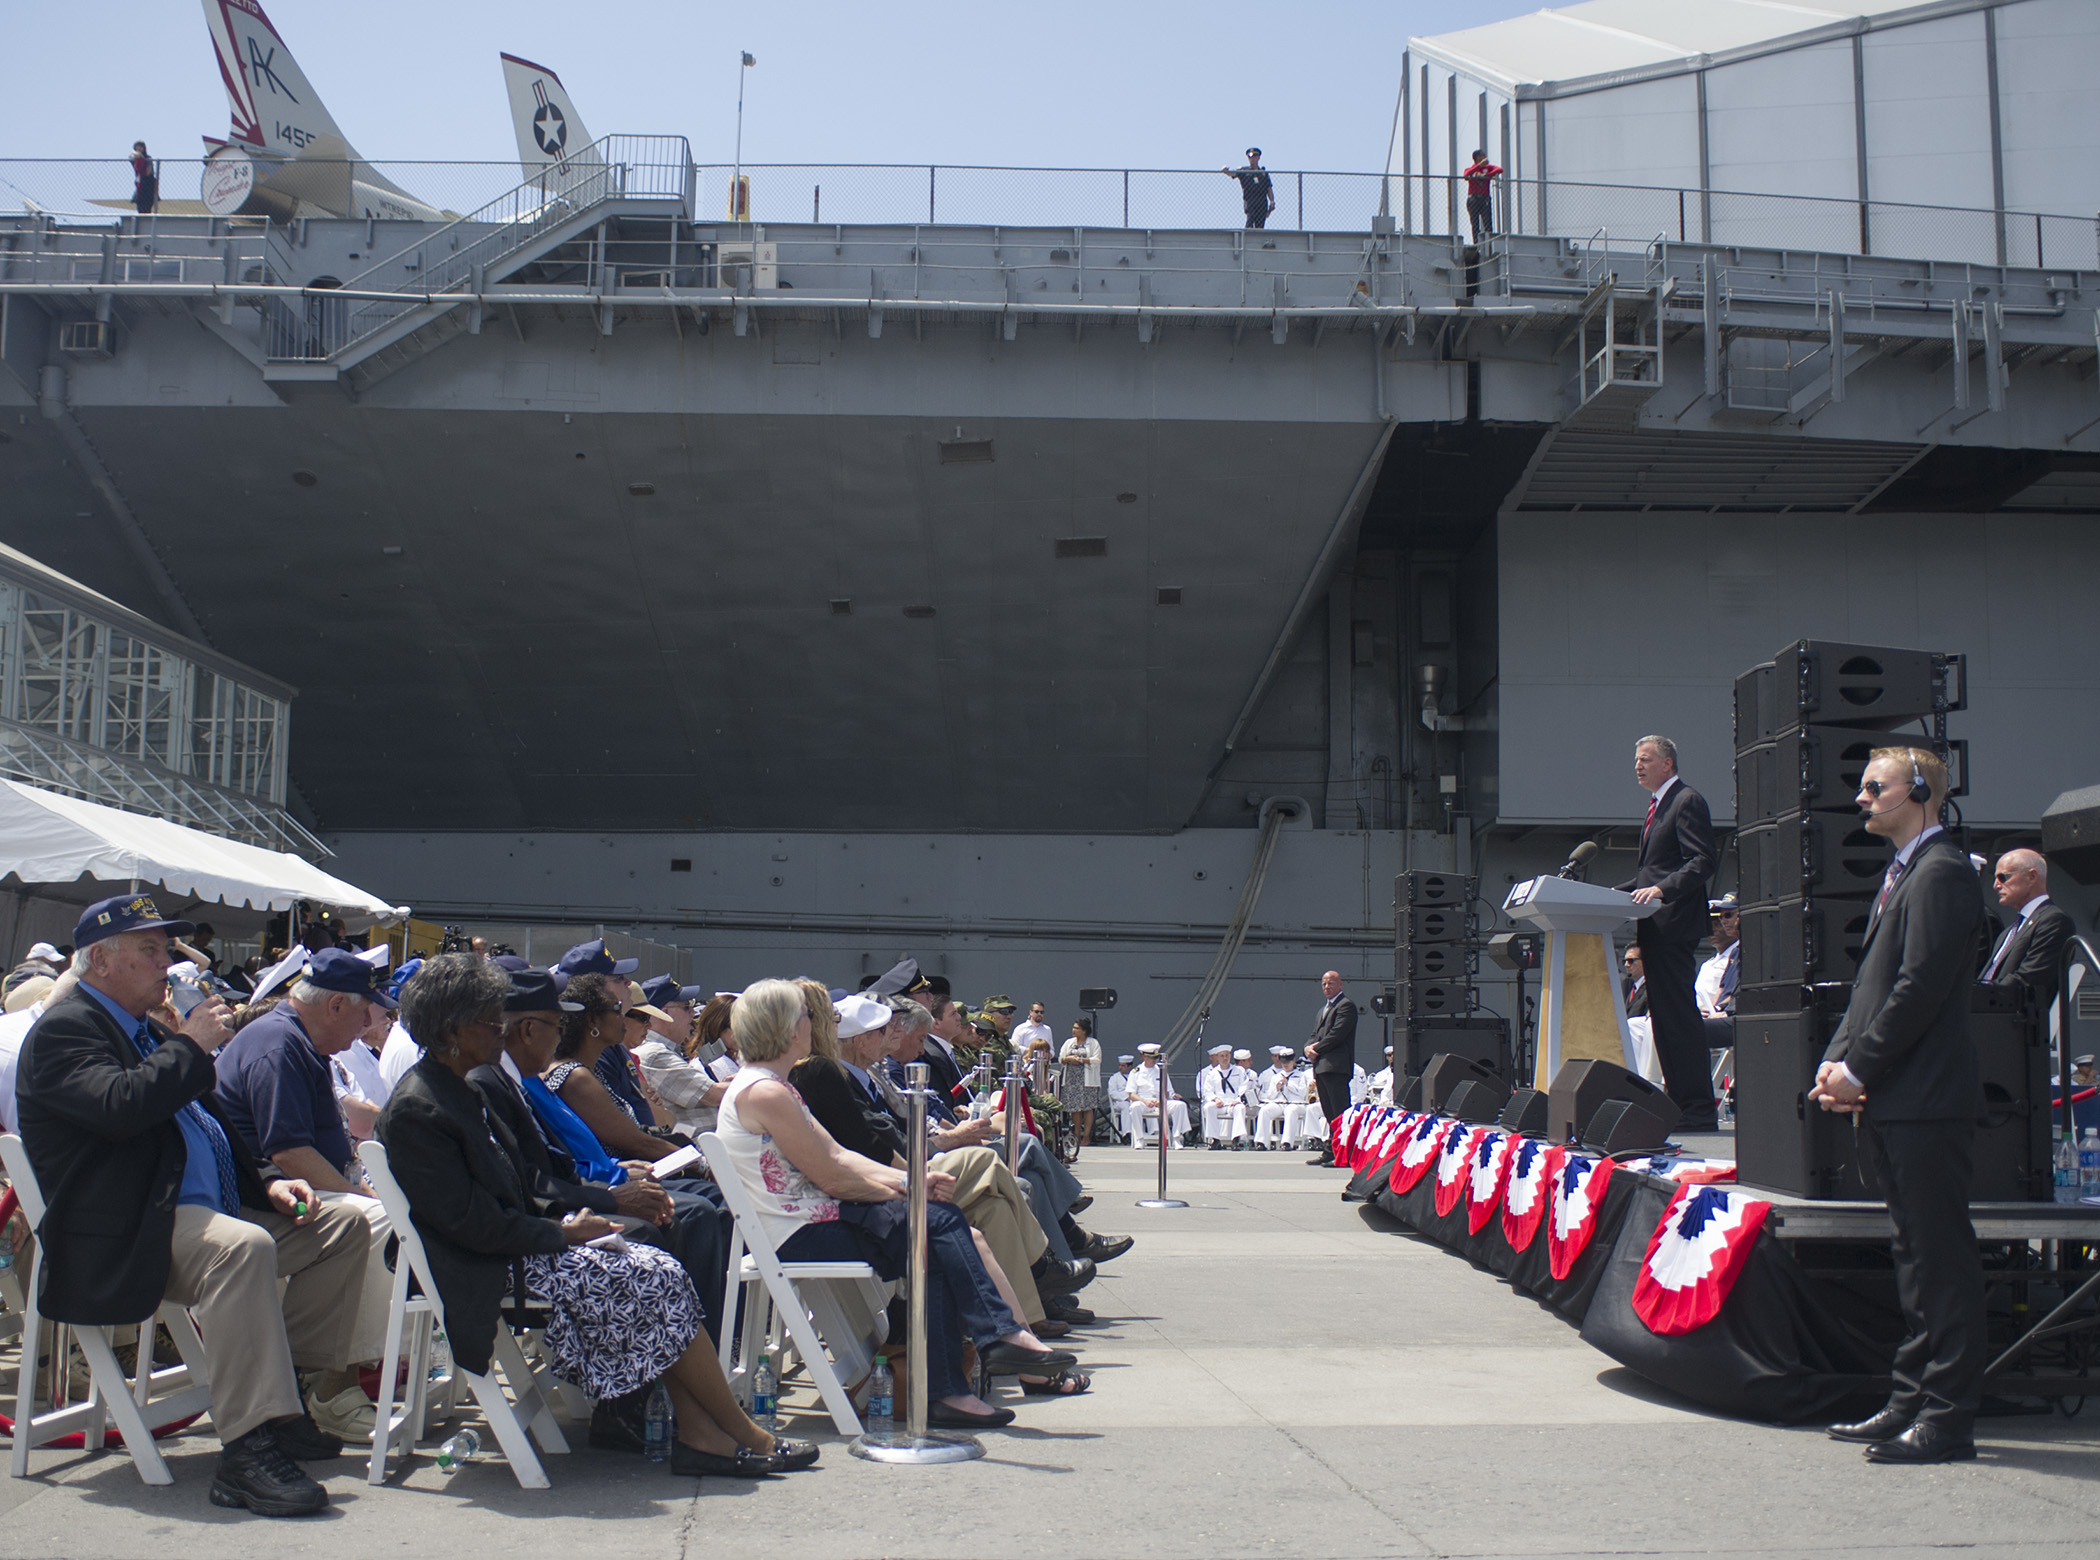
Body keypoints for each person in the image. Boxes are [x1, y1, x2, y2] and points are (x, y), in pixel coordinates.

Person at [375, 955, 812, 1478]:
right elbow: (470, 1224)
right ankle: (731, 1433)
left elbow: (522, 1181)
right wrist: (564, 1232)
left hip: (517, 1247)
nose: (501, 1032)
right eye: (491, 1022)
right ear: (452, 1030)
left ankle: (705, 1433)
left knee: (660, 1271)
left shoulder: (460, 1088)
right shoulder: (421, 1108)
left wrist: (580, 1216)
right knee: (652, 1272)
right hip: (486, 1264)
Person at [17, 894, 368, 1517]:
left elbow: (215, 1128)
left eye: (164, 948)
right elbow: (120, 1108)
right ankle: (248, 1450)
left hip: (198, 1213)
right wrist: (192, 1047)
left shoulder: (148, 1030)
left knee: (343, 1223)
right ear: (101, 960)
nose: (167, 962)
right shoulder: (67, 1029)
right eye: (149, 949)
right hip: (129, 1226)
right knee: (243, 1247)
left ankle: (284, 1400)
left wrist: (269, 1183)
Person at [715, 978, 1076, 1429]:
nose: (816, 1023)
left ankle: (961, 1379)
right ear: (788, 1029)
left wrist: (913, 1181)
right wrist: (909, 1190)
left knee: (937, 1231)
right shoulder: (765, 1092)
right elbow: (831, 1175)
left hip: (812, 1222)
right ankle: (992, 1343)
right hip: (798, 1234)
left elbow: (839, 1155)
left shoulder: (773, 1086)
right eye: (807, 1016)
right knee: (937, 1224)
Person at [1812, 747, 1986, 1465]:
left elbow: (1921, 988)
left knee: (1939, 1260)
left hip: (1925, 1101)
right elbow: (1872, 987)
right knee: (1914, 1256)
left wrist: (1859, 1068)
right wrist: (1836, 1060)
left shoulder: (1942, 872)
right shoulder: (1906, 873)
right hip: (1898, 1098)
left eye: (1873, 787)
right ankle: (1910, 1400)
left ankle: (1947, 1418)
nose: (1861, 799)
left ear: (1918, 792)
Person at [212, 946, 403, 1439]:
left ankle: (330, 1377)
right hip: (253, 1206)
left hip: (282, 1198)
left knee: (381, 1213)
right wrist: (367, 1199)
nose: (369, 1023)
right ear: (336, 1005)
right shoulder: (280, 1044)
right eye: (365, 1011)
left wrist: (363, 1191)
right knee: (377, 1221)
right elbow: (290, 1154)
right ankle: (332, 1387)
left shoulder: (296, 1041)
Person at [1616, 735, 1719, 1129]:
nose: (1637, 766)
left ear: (1668, 763)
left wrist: (1662, 890)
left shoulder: (1686, 800)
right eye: (1635, 760)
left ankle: (1699, 1108)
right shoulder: (1657, 806)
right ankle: (1680, 1104)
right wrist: (1611, 895)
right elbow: (1650, 874)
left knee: (1678, 1018)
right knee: (1664, 1020)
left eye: (1646, 759)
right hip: (1654, 927)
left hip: (1674, 923)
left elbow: (1702, 860)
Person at [1980, 849, 2073, 1001]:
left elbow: (2028, 980)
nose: (1996, 885)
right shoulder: (2008, 933)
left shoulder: (2054, 921)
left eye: (2003, 877)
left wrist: (1980, 997)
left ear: (2032, 877)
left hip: (2010, 1013)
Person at [1304, 971, 1358, 1166]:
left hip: (1336, 1067)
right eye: (1324, 984)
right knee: (1329, 1113)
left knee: (1339, 1113)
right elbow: (1314, 1034)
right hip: (1321, 1067)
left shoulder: (1346, 1006)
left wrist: (1316, 1049)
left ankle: (1345, 1154)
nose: (1327, 987)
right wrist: (1307, 1048)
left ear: (1340, 985)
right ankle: (1331, 1150)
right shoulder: (1323, 1010)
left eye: (1331, 983)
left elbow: (1337, 1034)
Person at [1125, 1043, 1191, 1148]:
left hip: (1160, 1101)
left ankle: (1176, 1138)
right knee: (1134, 1107)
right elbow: (1131, 1094)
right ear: (1144, 1057)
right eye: (1152, 1058)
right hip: (1144, 1102)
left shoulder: (1161, 1070)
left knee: (1180, 1105)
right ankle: (1139, 1139)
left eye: (1155, 1058)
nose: (1154, 1060)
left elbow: (1168, 1091)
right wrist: (1145, 1101)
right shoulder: (1136, 1072)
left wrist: (1166, 1098)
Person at [1058, 1018, 1104, 1149]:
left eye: (1077, 1028)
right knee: (1075, 1108)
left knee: (1087, 1108)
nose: (1074, 1030)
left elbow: (1097, 1059)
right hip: (1071, 1080)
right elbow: (1061, 1058)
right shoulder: (1069, 1042)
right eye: (1073, 1027)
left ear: (1084, 1031)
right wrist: (1069, 1059)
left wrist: (1081, 1060)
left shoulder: (1093, 1043)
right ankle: (1076, 1135)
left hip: (1087, 1080)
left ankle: (1086, 1136)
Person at [1254, 1050, 1310, 1151]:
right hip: (1279, 1103)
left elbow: (1303, 1093)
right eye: (1283, 1062)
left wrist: (1288, 1084)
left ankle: (1286, 1142)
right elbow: (1270, 1096)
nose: (1285, 1064)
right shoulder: (1276, 1077)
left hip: (1296, 1103)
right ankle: (1261, 1142)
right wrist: (1276, 1089)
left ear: (1293, 1061)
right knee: (1264, 1110)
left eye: (1288, 1062)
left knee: (1290, 1110)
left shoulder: (1301, 1076)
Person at [1198, 1043, 1248, 1150]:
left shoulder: (1239, 1071)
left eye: (1227, 1055)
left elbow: (1244, 1086)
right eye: (1222, 1056)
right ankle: (1215, 1139)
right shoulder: (1212, 1073)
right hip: (1219, 1103)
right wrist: (1215, 1099)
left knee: (1240, 1108)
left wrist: (1238, 1099)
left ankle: (1236, 1140)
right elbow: (1207, 1090)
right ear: (1217, 1058)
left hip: (1233, 1102)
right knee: (1208, 1107)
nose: (1225, 1058)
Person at [1223, 148, 1275, 229]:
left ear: (1258, 157)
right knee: (1250, 221)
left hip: (1262, 201)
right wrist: (1226, 171)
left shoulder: (1263, 173)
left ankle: (1258, 236)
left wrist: (1272, 201)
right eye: (1250, 156)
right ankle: (1247, 236)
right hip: (1250, 200)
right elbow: (1233, 174)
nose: (1252, 158)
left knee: (1260, 225)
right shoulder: (1244, 171)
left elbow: (1269, 188)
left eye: (1254, 156)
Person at [1462, 149, 1502, 242]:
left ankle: (1489, 244)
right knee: (1475, 224)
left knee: (1488, 223)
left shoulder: (1488, 168)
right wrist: (1479, 166)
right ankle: (1477, 243)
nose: (1485, 157)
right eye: (1482, 155)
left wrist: (1487, 175)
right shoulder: (1471, 169)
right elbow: (1466, 174)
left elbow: (1500, 169)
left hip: (1485, 199)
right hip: (1473, 199)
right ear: (1478, 157)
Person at [130, 141, 158, 216]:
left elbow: (149, 171)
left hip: (148, 182)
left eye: (140, 147)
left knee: (148, 202)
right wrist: (137, 156)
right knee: (140, 202)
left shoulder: (148, 158)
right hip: (140, 182)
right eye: (137, 147)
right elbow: (133, 161)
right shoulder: (133, 157)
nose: (138, 148)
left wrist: (142, 158)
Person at [1623, 945, 1649, 1016]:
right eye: (1624, 961)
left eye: (1630, 961)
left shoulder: (1651, 990)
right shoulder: (1628, 987)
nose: (1626, 965)